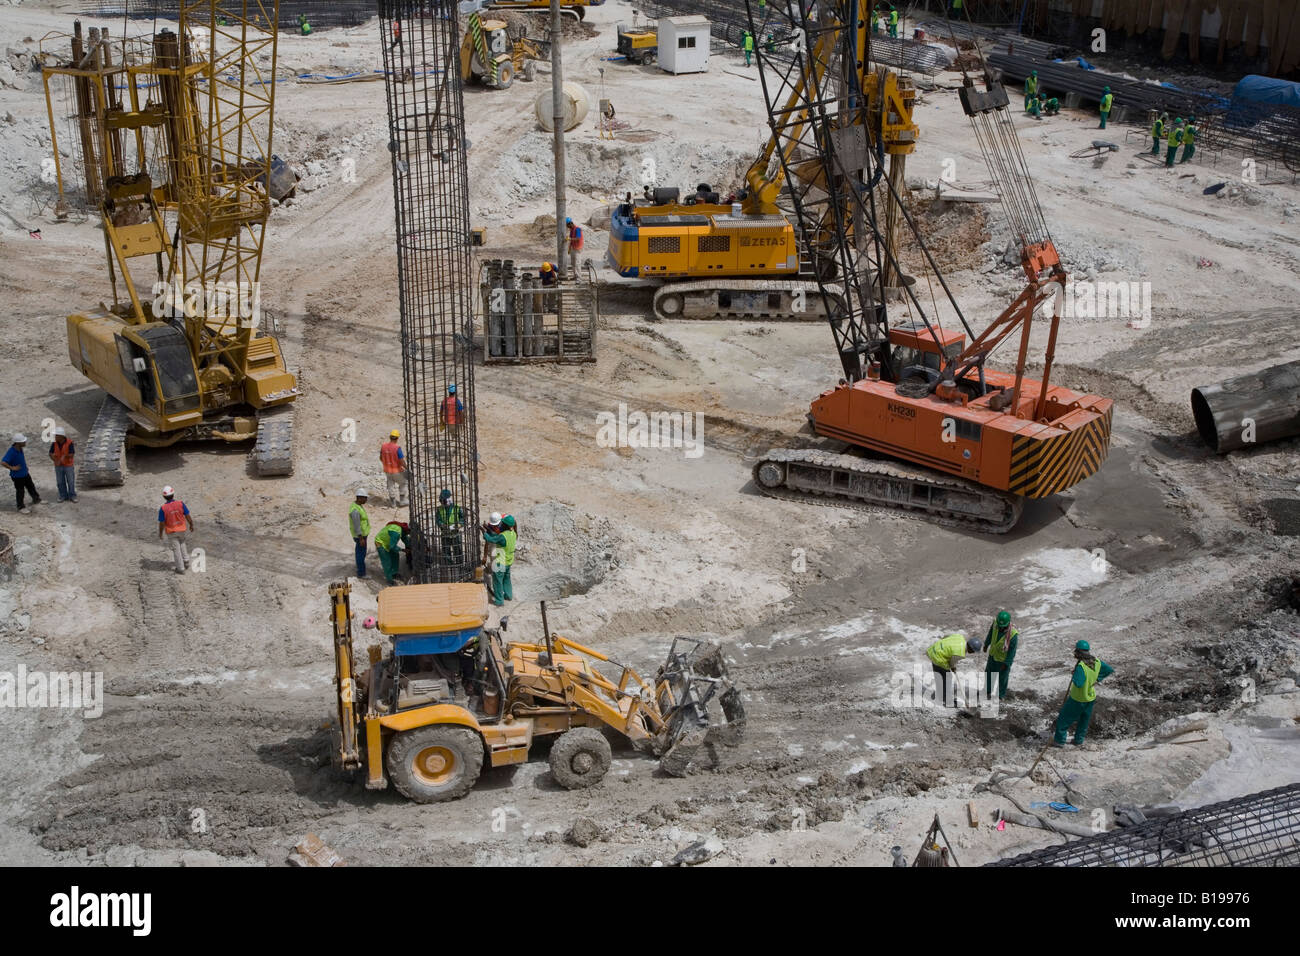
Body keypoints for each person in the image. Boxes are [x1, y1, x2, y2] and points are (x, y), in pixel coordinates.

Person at [1053, 640, 1114, 746]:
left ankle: (1059, 741)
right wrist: (1096, 679)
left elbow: (1079, 683)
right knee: (1083, 721)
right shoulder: (1096, 661)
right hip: (1090, 697)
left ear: (1079, 652)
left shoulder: (1081, 666)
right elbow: (1108, 669)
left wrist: (1075, 674)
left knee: (1063, 719)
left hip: (1078, 698)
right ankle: (1079, 740)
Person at [926, 633, 982, 707]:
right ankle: (948, 701)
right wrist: (953, 667)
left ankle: (940, 695)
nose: (973, 653)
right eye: (974, 651)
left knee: (939, 676)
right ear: (971, 649)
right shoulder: (960, 653)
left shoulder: (960, 637)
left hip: (933, 651)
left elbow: (947, 636)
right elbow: (952, 663)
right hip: (939, 658)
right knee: (948, 677)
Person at [481, 512, 517, 607]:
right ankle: (508, 595)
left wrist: (484, 533)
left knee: (497, 582)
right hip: (509, 561)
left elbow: (491, 539)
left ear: (504, 524)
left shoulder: (502, 536)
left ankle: (499, 601)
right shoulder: (513, 533)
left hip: (500, 562)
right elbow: (496, 536)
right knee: (506, 579)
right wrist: (488, 529)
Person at [983, 611, 1020, 701]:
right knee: (989, 674)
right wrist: (986, 644)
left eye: (1002, 627)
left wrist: (1007, 663)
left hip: (1002, 660)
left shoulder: (1013, 635)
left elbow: (1012, 652)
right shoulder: (995, 623)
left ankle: (1000, 695)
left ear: (1007, 625)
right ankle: (987, 691)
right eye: (999, 626)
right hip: (993, 655)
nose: (1000, 628)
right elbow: (991, 633)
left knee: (1002, 678)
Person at [157, 485, 194, 574]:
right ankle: (186, 561)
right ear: (173, 494)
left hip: (171, 532)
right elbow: (187, 515)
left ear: (163, 496)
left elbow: (162, 523)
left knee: (176, 550)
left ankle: (180, 569)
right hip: (182, 530)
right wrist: (191, 524)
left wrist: (160, 533)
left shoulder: (163, 508)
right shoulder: (180, 503)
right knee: (182, 543)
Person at [2, 434, 39, 513]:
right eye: (23, 441)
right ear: (18, 443)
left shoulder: (20, 449)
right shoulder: (11, 452)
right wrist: (12, 468)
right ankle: (20, 507)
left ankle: (36, 499)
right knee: (20, 491)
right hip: (17, 476)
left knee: (31, 486)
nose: (25, 442)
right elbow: (3, 462)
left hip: (24, 473)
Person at [436, 488, 465, 566]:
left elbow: (463, 519)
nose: (443, 503)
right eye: (442, 501)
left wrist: (457, 525)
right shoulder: (440, 509)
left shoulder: (457, 508)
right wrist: (443, 526)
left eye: (444, 501)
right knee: (446, 551)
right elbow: (438, 520)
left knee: (458, 550)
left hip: (455, 534)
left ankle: (459, 565)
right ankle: (448, 566)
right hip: (445, 534)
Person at [374, 519, 408, 585]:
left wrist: (409, 546)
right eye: (408, 533)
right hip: (380, 542)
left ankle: (394, 573)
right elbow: (392, 546)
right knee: (387, 561)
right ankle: (389, 580)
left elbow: (405, 539)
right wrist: (403, 550)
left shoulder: (401, 530)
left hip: (388, 543)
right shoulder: (397, 533)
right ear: (406, 530)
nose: (408, 534)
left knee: (395, 555)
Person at [379, 429, 407, 506]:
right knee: (403, 483)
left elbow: (381, 457)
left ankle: (393, 503)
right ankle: (402, 501)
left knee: (390, 486)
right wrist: (406, 468)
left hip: (387, 471)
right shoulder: (397, 448)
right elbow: (401, 460)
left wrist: (386, 463)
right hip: (397, 471)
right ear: (397, 438)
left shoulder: (383, 446)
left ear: (390, 437)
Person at [48, 426, 77, 502]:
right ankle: (63, 496)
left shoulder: (69, 442)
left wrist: (65, 456)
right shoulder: (54, 443)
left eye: (56, 435)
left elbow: (72, 454)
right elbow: (50, 453)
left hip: (68, 466)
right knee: (60, 482)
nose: (55, 437)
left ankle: (72, 495)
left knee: (70, 481)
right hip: (58, 466)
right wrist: (55, 460)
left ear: (61, 436)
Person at [349, 489, 371, 579]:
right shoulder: (355, 510)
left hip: (362, 535)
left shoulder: (358, 506)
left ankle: (360, 570)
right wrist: (361, 538)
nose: (366, 500)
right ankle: (361, 573)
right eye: (365, 498)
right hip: (360, 536)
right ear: (359, 497)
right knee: (360, 554)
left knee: (360, 553)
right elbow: (357, 525)